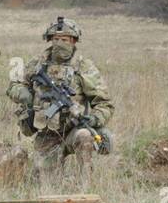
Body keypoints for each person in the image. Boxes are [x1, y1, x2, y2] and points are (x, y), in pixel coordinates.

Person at [7, 17, 113, 175]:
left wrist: (94, 119)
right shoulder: (37, 64)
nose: (59, 43)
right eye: (56, 39)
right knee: (46, 182)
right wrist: (24, 95)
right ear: (50, 40)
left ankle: (86, 186)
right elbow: (13, 86)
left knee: (85, 136)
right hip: (46, 134)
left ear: (74, 41)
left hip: (73, 130)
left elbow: (104, 104)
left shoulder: (83, 67)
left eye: (64, 39)